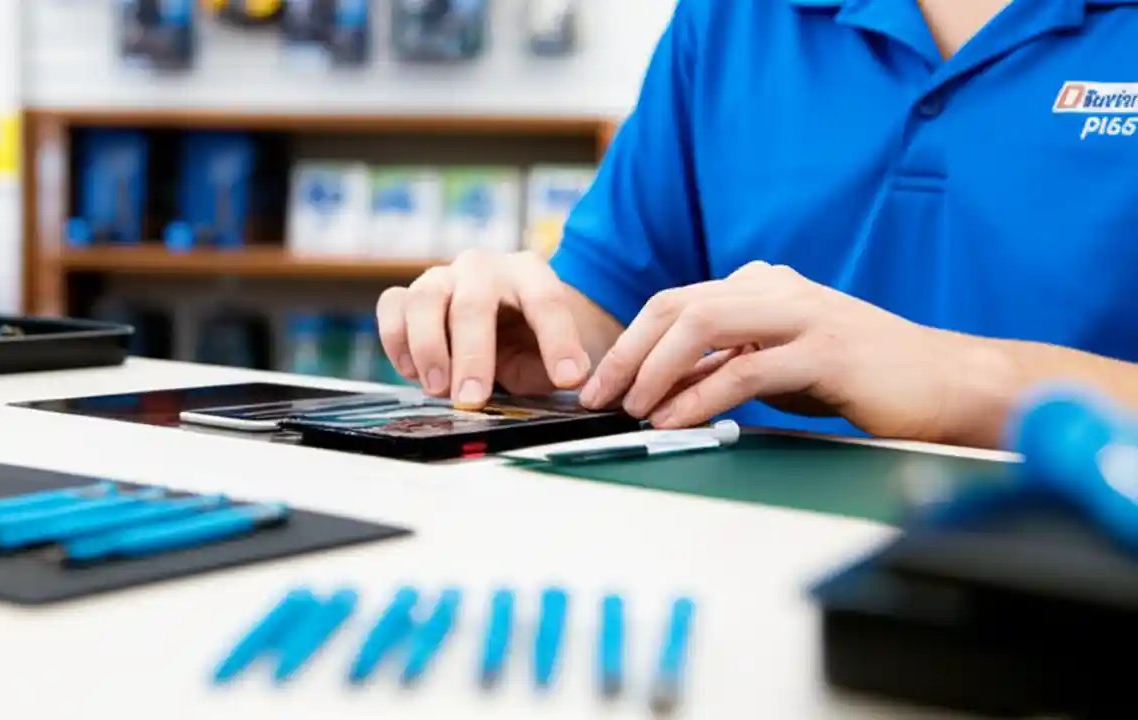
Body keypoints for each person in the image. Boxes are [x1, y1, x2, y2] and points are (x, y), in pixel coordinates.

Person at [377, 0, 1138, 450]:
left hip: (1076, 580)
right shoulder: (735, 17)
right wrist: (548, 332)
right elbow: (620, 299)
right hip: (742, 559)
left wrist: (957, 381)